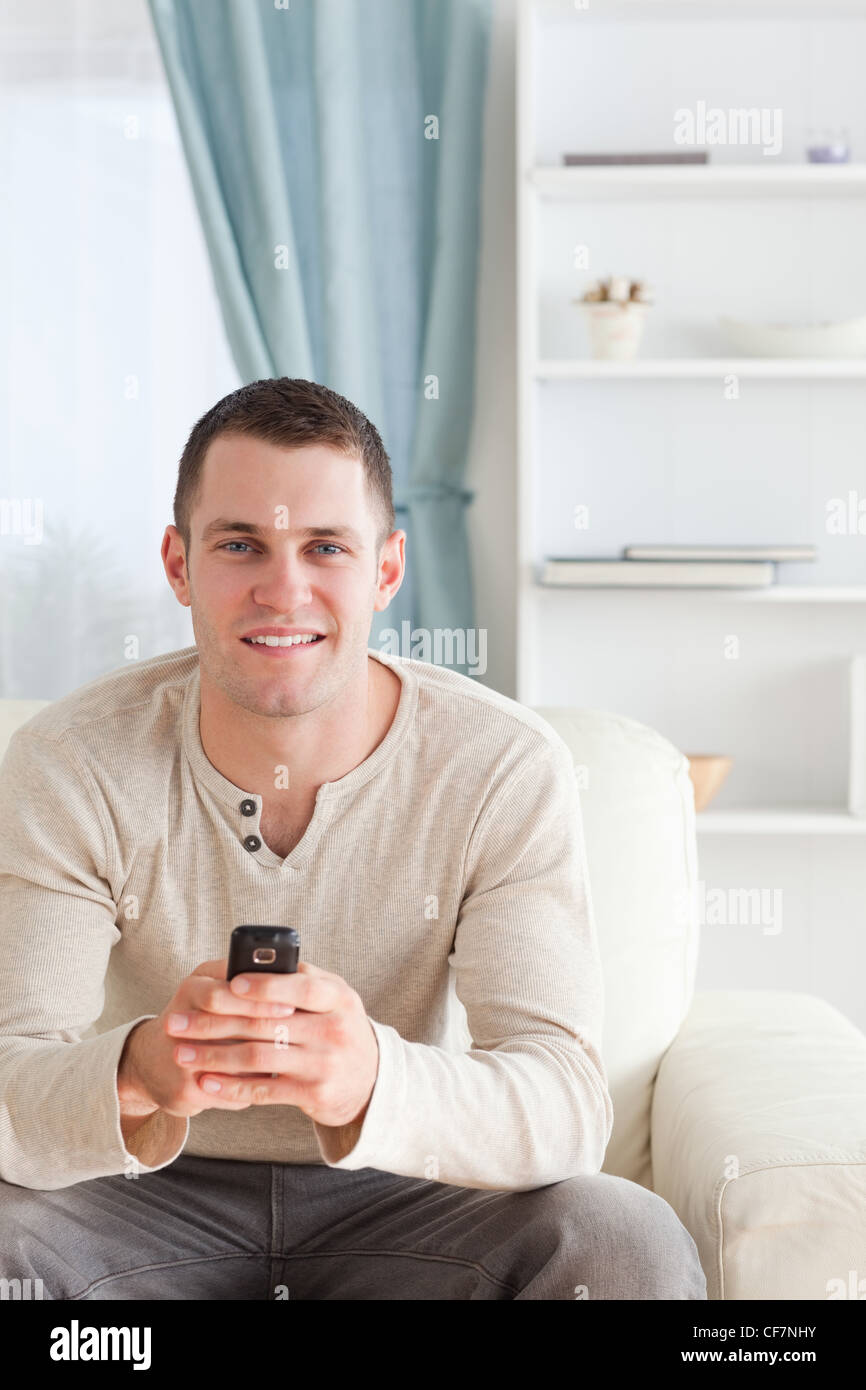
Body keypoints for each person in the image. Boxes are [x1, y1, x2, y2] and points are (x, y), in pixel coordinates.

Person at [0, 378, 706, 1300]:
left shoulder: (500, 765)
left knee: (621, 1238)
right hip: (134, 1205)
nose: (282, 591)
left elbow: (564, 1103)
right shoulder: (71, 761)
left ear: (385, 568)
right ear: (178, 564)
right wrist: (138, 1073)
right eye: (240, 544)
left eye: (325, 547)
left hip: (413, 1200)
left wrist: (371, 1078)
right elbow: (12, 1071)